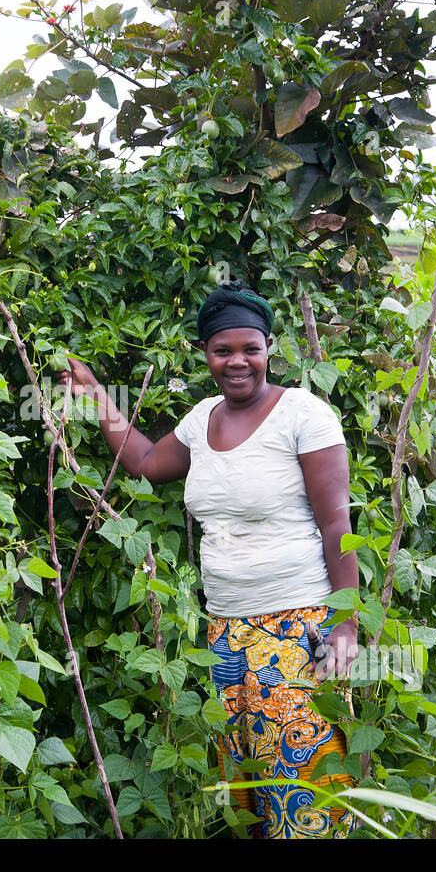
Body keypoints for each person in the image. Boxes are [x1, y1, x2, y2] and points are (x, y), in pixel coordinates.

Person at [56, 282, 360, 839]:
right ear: (206, 355)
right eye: (223, 351)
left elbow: (336, 525)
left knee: (307, 798)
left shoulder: (304, 416)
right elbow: (146, 462)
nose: (237, 361)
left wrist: (345, 626)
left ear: (269, 347)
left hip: (299, 628)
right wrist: (97, 394)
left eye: (250, 348)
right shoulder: (202, 418)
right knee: (244, 797)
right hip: (223, 632)